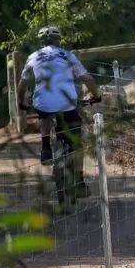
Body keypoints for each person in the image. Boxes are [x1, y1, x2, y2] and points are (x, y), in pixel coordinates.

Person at [16, 26, 102, 186]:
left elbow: (22, 86)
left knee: (43, 111)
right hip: (67, 104)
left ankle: (46, 147)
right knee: (76, 143)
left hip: (43, 104)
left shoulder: (33, 57)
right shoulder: (68, 56)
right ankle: (80, 181)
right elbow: (88, 79)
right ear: (58, 40)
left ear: (41, 41)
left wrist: (21, 103)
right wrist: (97, 96)